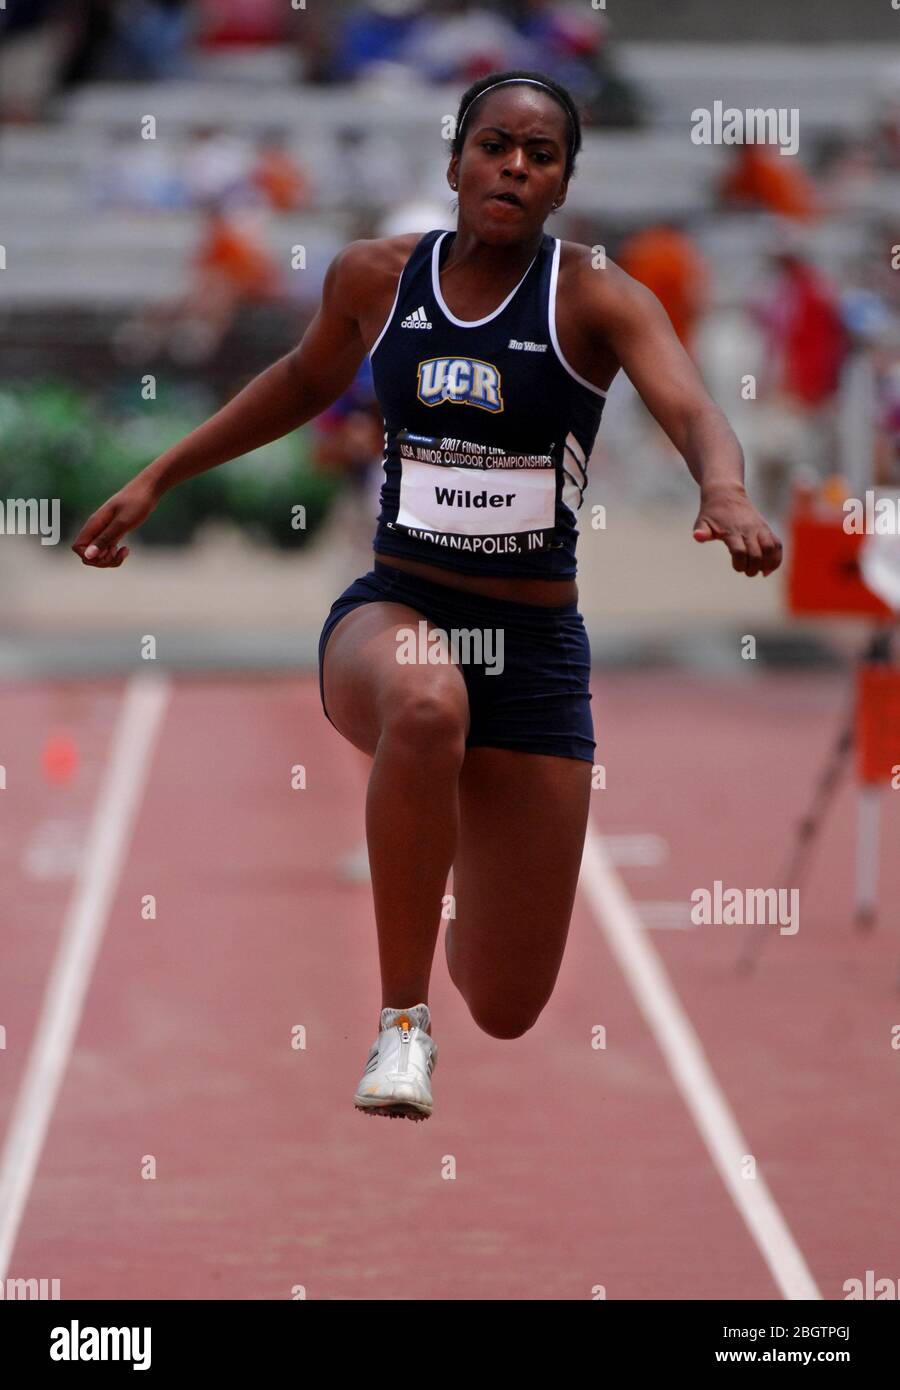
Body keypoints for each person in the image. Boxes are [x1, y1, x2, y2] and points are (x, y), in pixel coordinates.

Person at [72, 69, 783, 1122]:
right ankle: (401, 1023)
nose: (515, 166)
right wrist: (156, 476)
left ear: (561, 186)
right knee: (423, 702)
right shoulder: (375, 276)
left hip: (535, 653)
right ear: (455, 162)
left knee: (505, 1000)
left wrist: (722, 487)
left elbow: (691, 408)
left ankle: (448, 854)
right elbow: (300, 383)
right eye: (496, 144)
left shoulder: (594, 294)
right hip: (395, 609)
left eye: (542, 156)